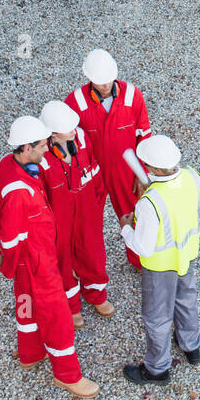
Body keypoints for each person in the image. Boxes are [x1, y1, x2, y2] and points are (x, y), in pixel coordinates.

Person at [0, 116, 98, 399]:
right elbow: (11, 236)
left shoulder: (6, 164)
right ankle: (67, 374)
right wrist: (13, 261)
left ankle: (30, 352)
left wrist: (7, 258)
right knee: (57, 315)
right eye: (41, 146)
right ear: (26, 148)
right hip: (37, 258)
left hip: (28, 260)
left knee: (25, 302)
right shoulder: (19, 191)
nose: (46, 150)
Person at [119, 134, 200, 385]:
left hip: (159, 266)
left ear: (155, 168)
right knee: (186, 300)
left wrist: (126, 227)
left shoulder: (150, 202)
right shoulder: (193, 178)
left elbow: (143, 247)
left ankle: (157, 369)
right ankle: (192, 347)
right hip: (186, 255)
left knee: (157, 318)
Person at [65, 49, 151, 267]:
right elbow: (68, 141)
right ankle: (86, 269)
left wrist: (140, 173)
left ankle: (140, 261)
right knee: (86, 222)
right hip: (92, 172)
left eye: (108, 81)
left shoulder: (133, 96)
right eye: (99, 82)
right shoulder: (75, 102)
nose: (105, 86)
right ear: (89, 79)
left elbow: (144, 135)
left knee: (134, 214)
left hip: (125, 170)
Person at [38, 100, 114, 327]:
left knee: (93, 252)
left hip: (87, 208)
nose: (74, 130)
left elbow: (94, 169)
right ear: (51, 135)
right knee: (63, 258)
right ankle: (71, 305)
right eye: (67, 128)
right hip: (59, 217)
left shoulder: (80, 137)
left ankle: (96, 294)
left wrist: (98, 201)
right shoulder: (41, 159)